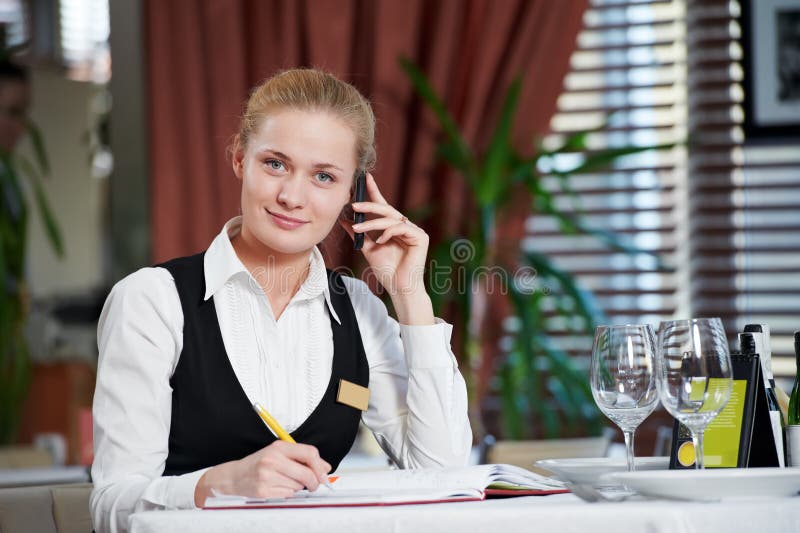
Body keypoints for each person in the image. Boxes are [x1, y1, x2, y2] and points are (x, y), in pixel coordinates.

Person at [90, 68, 472, 533]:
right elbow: (110, 507)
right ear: (238, 159)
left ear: (353, 193)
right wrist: (218, 483)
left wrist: (410, 295)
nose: (292, 196)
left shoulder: (359, 310)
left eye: (324, 176)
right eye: (275, 164)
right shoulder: (152, 301)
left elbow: (443, 477)